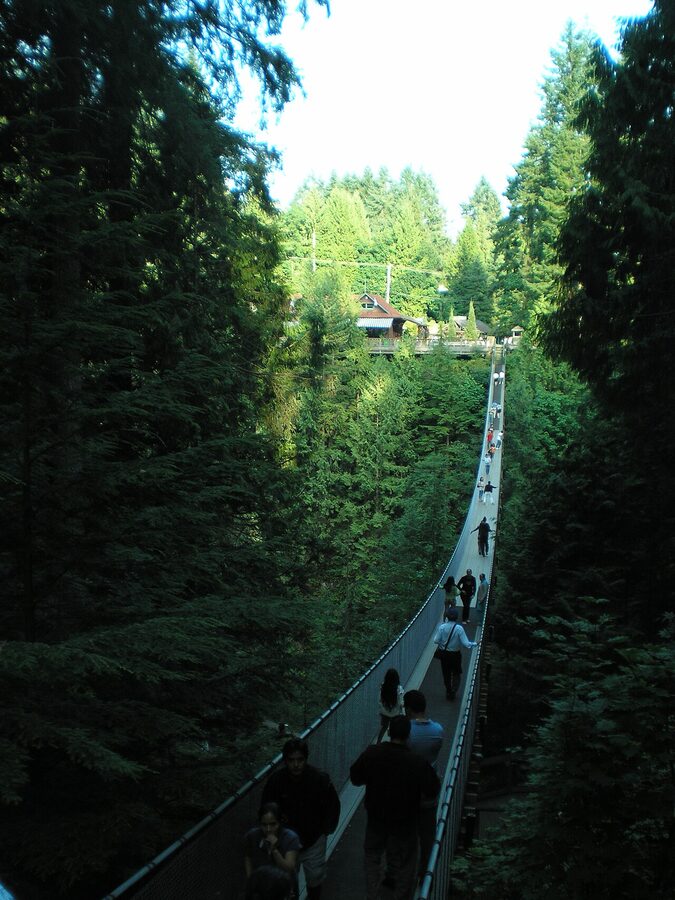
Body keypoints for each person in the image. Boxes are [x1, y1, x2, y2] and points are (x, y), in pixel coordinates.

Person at [350, 715, 440, 900]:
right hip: (405, 821)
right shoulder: (416, 761)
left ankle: (373, 894)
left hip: (376, 817)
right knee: (406, 860)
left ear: (389, 732)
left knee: (372, 855)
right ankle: (401, 895)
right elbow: (432, 788)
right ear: (408, 735)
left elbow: (356, 777)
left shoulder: (373, 753)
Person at [261, 740, 340, 900]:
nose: (296, 765)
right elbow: (266, 809)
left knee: (314, 878)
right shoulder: (276, 782)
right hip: (286, 841)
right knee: (288, 883)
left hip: (313, 838)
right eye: (291, 760)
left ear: (306, 759)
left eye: (300, 760)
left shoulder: (319, 779)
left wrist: (326, 830)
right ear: (285, 761)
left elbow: (333, 805)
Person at [403, 691, 444, 879]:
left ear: (409, 709)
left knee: (407, 832)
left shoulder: (406, 732)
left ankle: (406, 871)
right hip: (430, 789)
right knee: (428, 833)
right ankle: (425, 870)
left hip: (408, 791)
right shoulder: (437, 731)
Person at [244, 803, 301, 896]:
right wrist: (251, 880)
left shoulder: (290, 838)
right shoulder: (252, 836)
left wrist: (274, 850)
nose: (268, 829)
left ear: (280, 822)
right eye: (264, 825)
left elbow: (289, 868)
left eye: (273, 824)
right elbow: (247, 857)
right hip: (261, 890)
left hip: (283, 889)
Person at [433, 609, 478, 700]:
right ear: (457, 617)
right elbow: (466, 644)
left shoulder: (442, 627)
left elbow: (436, 640)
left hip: (444, 655)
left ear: (447, 616)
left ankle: (448, 690)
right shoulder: (459, 628)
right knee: (456, 673)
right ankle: (454, 690)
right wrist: (475, 643)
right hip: (455, 655)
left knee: (446, 674)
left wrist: (443, 644)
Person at [378, 668, 405, 740]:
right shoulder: (399, 689)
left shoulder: (383, 686)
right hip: (395, 714)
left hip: (384, 712)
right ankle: (392, 743)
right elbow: (400, 702)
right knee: (395, 729)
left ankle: (378, 742)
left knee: (384, 727)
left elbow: (380, 699)